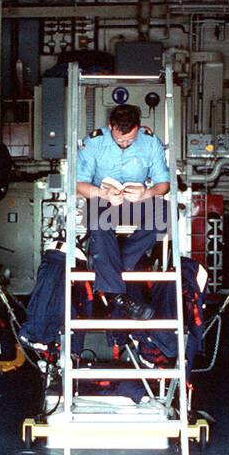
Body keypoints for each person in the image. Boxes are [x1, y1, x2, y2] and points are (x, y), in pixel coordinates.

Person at [75, 103, 170, 320]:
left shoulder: (150, 142)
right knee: (96, 216)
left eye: (130, 140)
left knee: (164, 212)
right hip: (104, 201)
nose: (125, 144)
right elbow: (78, 184)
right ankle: (117, 293)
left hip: (137, 200)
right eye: (120, 140)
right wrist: (103, 193)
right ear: (110, 127)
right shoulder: (94, 142)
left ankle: (109, 269)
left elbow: (164, 185)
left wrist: (145, 193)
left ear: (139, 127)